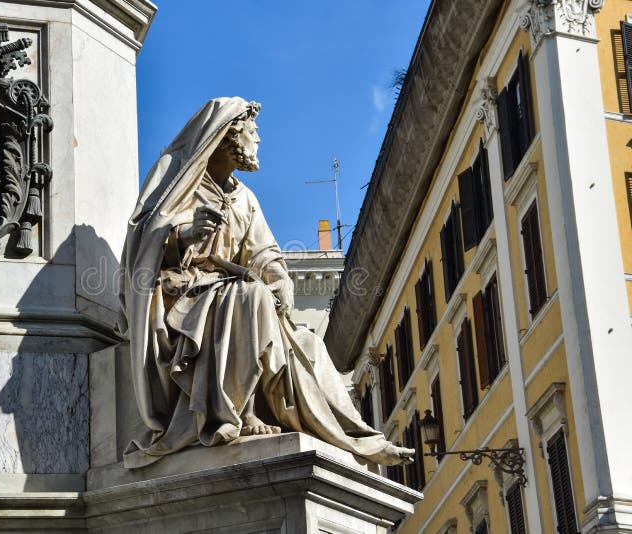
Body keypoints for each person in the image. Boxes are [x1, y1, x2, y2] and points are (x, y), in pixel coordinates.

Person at [119, 97, 414, 468]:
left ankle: (355, 438)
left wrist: (282, 281)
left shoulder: (245, 198)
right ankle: (242, 411)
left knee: (307, 344)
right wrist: (185, 235)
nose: (258, 140)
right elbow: (142, 245)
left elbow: (265, 252)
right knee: (251, 296)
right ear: (229, 134)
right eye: (253, 131)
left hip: (230, 294)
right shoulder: (183, 186)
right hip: (184, 294)